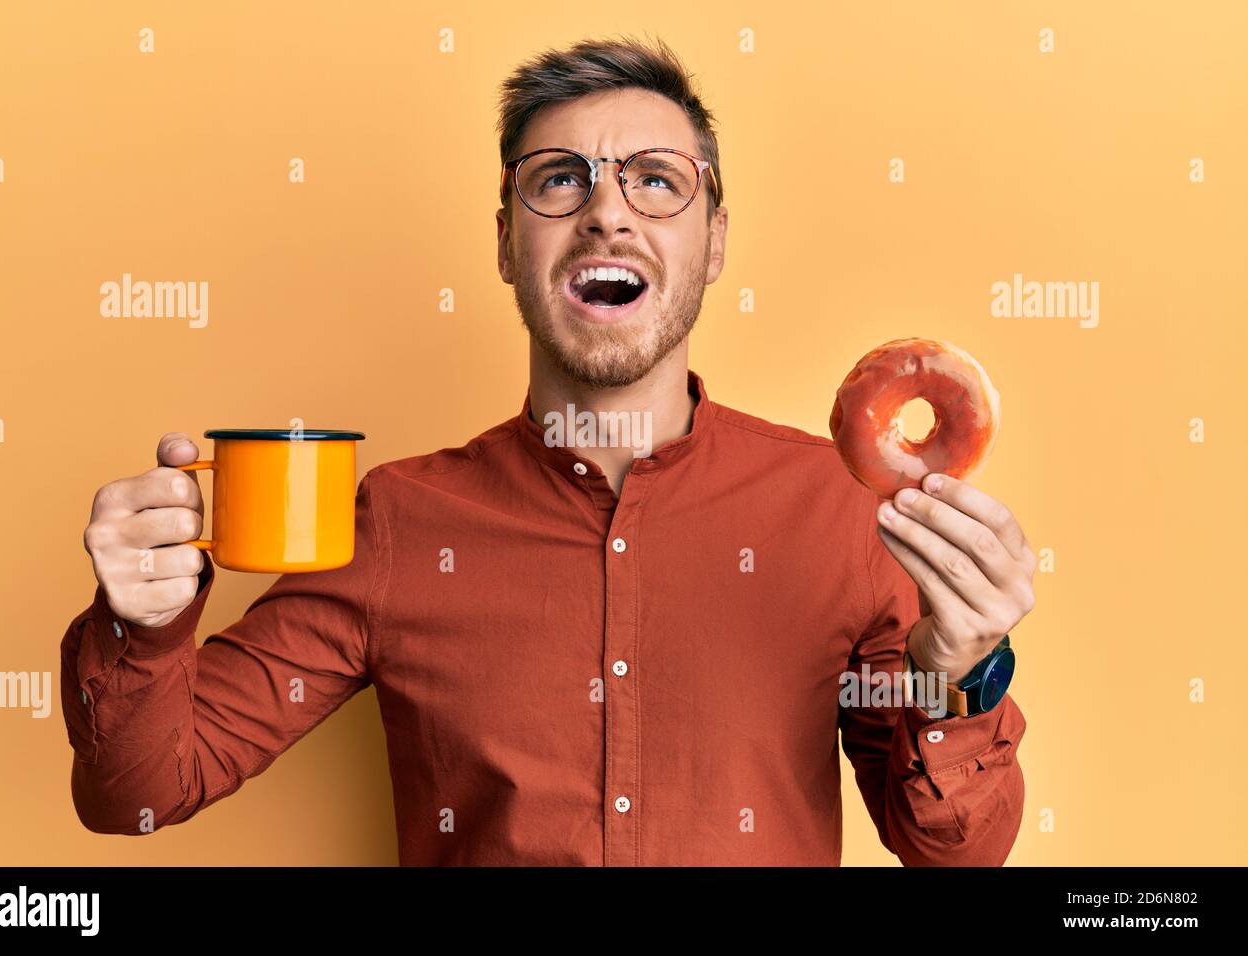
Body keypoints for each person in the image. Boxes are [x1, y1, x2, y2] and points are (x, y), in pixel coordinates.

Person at [62, 35, 1035, 866]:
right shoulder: (398, 522)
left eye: (656, 181)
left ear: (714, 243)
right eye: (559, 179)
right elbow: (140, 789)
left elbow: (952, 849)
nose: (606, 212)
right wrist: (141, 624)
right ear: (503, 242)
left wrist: (961, 663)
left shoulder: (838, 509)